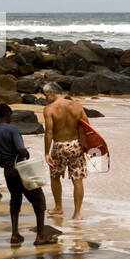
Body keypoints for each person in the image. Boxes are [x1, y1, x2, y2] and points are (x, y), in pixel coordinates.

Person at [0, 104, 56, 246]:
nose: (11, 117)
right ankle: (40, 237)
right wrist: (26, 153)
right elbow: (20, 149)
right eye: (10, 114)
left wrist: (1, 163)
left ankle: (15, 234)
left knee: (15, 200)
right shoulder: (13, 130)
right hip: (21, 170)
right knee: (38, 199)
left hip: (8, 171)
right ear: (7, 114)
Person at [42, 82, 89, 221]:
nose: (45, 99)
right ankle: (77, 214)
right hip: (76, 146)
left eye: (46, 95)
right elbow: (87, 126)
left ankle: (58, 207)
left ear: (52, 93)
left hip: (60, 147)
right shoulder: (77, 105)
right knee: (78, 179)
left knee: (55, 176)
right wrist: (87, 146)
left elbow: (49, 132)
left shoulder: (49, 109)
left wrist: (46, 152)